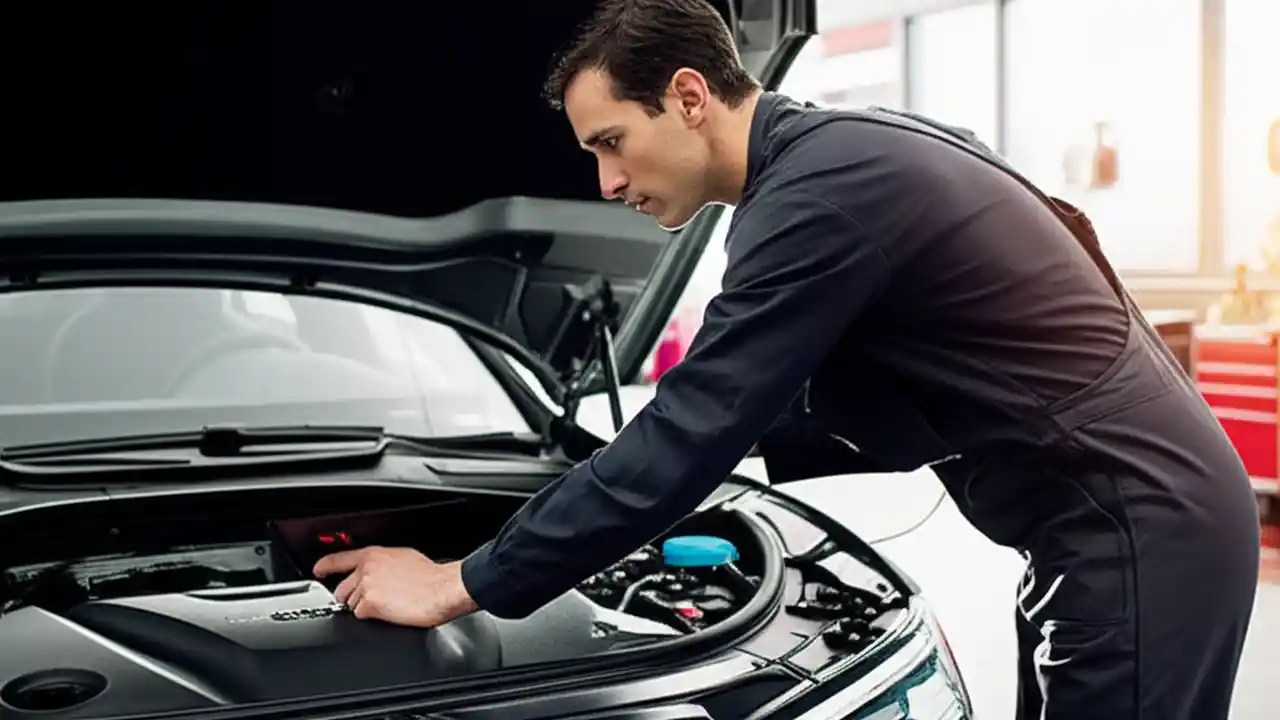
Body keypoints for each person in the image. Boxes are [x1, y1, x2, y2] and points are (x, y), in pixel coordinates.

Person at [312, 1, 1260, 717]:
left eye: (612, 143)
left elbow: (694, 427)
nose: (605, 184)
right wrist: (715, 448)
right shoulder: (856, 148)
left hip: (1133, 526)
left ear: (688, 96)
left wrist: (458, 581)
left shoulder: (814, 198)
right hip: (1123, 515)